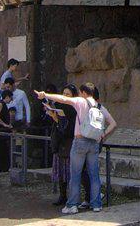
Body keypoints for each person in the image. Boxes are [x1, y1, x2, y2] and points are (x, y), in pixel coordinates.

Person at [36, 83, 117, 214]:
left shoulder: (81, 102)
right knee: (94, 175)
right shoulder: (100, 107)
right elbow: (113, 123)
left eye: (80, 93)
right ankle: (96, 204)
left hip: (80, 140)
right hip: (94, 143)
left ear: (84, 92)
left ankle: (72, 204)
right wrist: (103, 135)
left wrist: (45, 95)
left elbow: (63, 99)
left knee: (75, 174)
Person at [46, 84, 78, 207]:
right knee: (60, 172)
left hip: (69, 142)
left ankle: (72, 197)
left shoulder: (74, 109)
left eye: (68, 94)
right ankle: (62, 195)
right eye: (63, 94)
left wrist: (58, 120)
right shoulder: (58, 106)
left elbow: (69, 128)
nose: (65, 96)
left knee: (69, 172)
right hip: (59, 143)